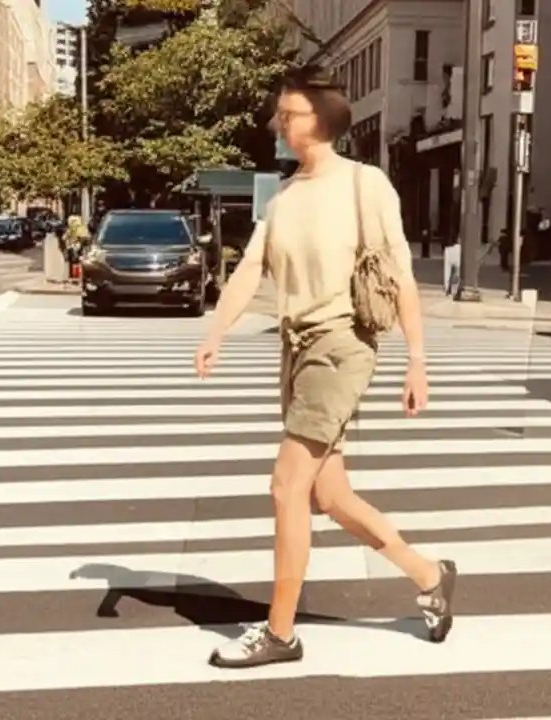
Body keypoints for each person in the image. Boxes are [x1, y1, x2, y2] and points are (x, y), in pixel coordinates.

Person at [193, 64, 457, 670]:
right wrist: (216, 332)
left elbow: (399, 277)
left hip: (342, 346)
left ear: (323, 118)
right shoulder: (285, 196)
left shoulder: (367, 185)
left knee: (286, 485)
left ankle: (280, 632)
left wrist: (417, 363)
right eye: (279, 115)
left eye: (289, 114)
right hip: (296, 346)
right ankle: (429, 575)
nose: (278, 124)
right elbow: (250, 270)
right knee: (329, 495)